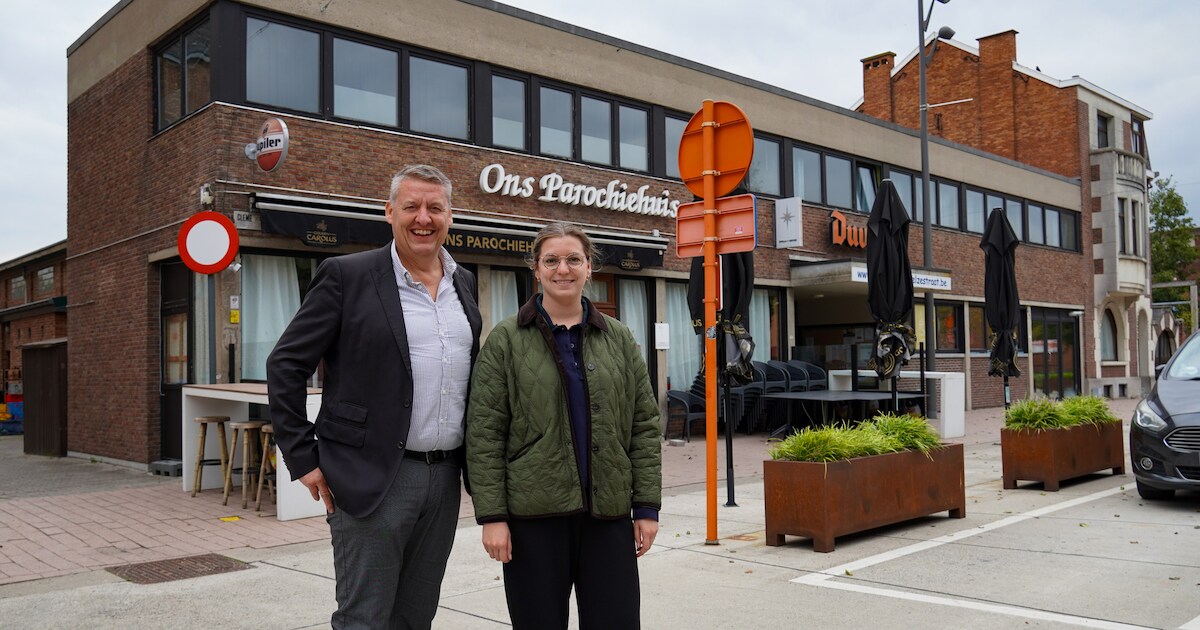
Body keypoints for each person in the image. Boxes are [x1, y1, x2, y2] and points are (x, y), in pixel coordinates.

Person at [267, 164, 481, 629]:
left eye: (435, 208)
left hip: (444, 480)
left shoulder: (463, 283)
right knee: (365, 618)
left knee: (415, 616)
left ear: (450, 217)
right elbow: (286, 365)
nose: (423, 218)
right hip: (370, 478)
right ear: (389, 212)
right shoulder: (347, 275)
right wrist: (302, 457)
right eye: (411, 207)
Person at [466, 222, 662, 629]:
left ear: (589, 268)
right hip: (533, 519)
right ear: (535, 269)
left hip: (607, 515)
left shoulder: (619, 339)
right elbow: (484, 434)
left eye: (574, 259)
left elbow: (643, 424)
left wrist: (646, 507)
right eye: (551, 260)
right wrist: (492, 517)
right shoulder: (505, 340)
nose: (563, 269)